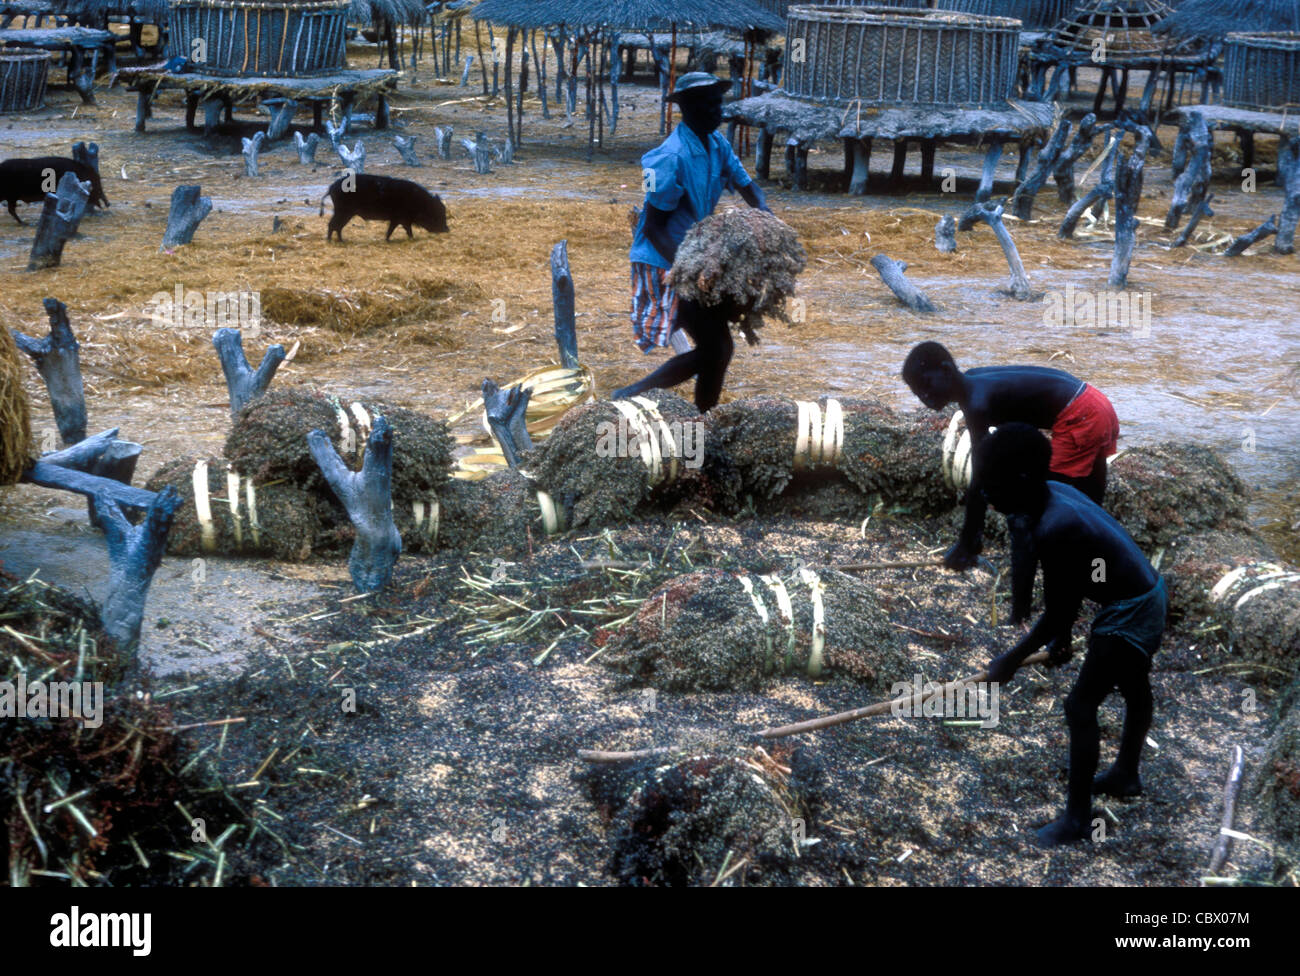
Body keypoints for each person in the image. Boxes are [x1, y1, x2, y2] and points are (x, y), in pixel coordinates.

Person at [979, 423, 1166, 847]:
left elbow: (1062, 607)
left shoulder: (1056, 524)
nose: (986, 495)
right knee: (1134, 686)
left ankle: (1078, 819)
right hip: (1147, 590)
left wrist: (1009, 660)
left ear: (1021, 480)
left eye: (992, 485)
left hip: (1130, 611)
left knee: (1080, 706)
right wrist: (1057, 637)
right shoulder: (1047, 496)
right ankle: (1126, 775)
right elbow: (1069, 586)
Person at [902, 342, 1119, 607]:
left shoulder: (976, 402)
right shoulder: (974, 381)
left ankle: (1073, 586)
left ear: (947, 371)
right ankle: (1101, 578)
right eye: (916, 393)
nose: (924, 397)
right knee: (1093, 507)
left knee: (1054, 508)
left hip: (1081, 415)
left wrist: (967, 543)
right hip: (1094, 400)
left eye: (926, 385)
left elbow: (980, 475)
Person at [613, 72, 768, 412]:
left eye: (719, 103)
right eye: (709, 105)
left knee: (718, 348)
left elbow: (748, 186)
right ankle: (631, 395)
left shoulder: (717, 144)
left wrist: (767, 222)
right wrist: (690, 271)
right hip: (664, 259)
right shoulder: (670, 156)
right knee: (716, 347)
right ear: (688, 109)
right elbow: (653, 227)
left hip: (697, 254)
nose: (718, 111)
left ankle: (701, 417)